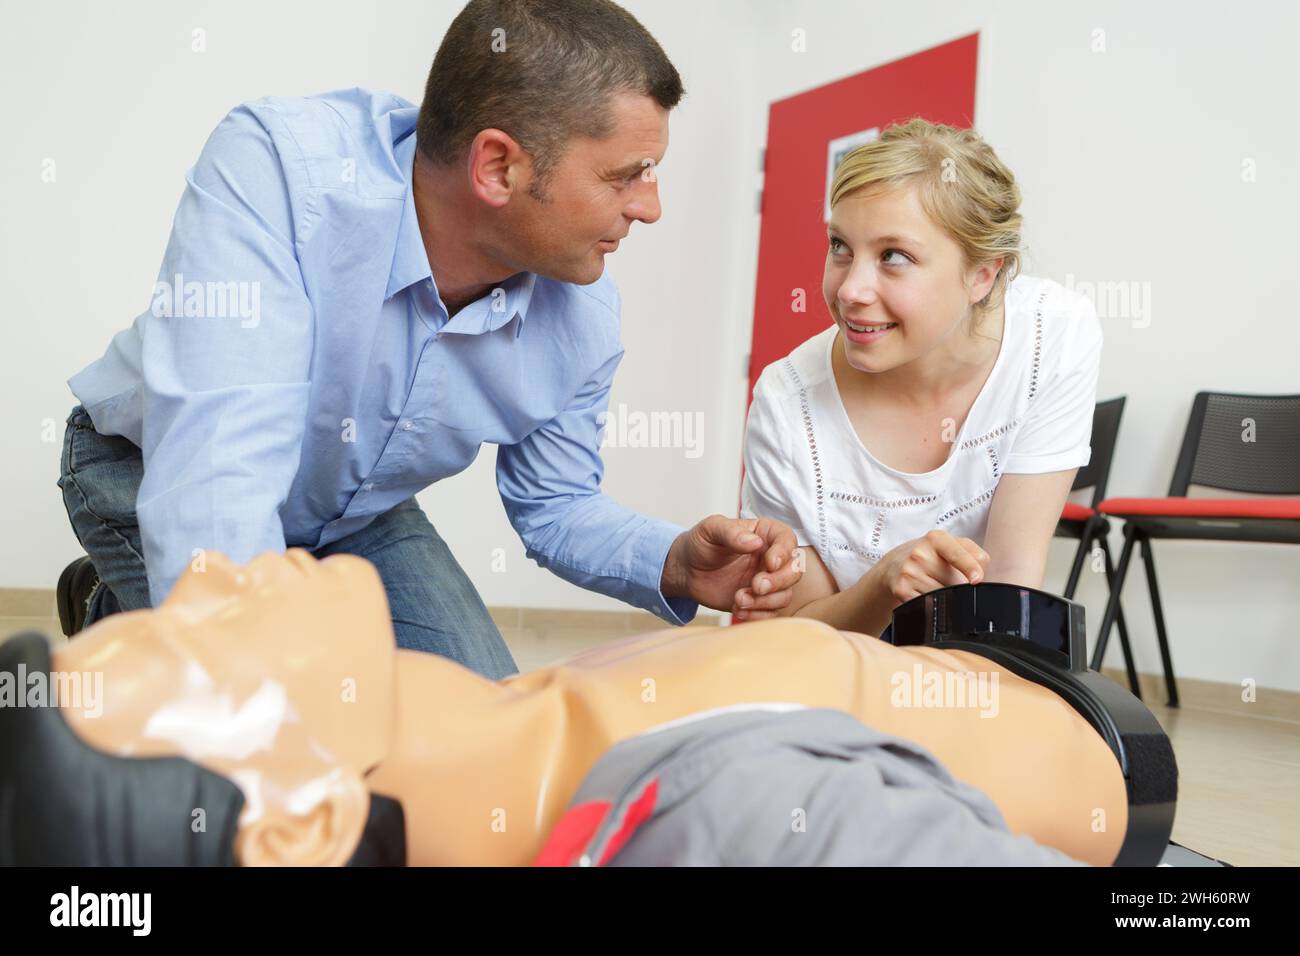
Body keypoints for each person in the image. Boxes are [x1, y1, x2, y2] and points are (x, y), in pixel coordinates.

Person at [55, 0, 800, 678]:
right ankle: (118, 612)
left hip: (351, 512)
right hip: (149, 463)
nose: (651, 207)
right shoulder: (283, 172)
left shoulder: (584, 316)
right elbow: (221, 470)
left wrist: (676, 562)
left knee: (484, 724)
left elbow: (556, 502)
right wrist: (273, 685)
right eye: (625, 176)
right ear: (498, 166)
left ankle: (140, 604)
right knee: (301, 706)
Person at [5, 549, 1138, 866]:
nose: (203, 569)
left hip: (914, 660)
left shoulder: (503, 736)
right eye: (188, 636)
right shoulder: (729, 813)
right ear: (299, 824)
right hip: (1071, 713)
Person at [738, 118, 1102, 636]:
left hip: (975, 661)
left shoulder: (1053, 335)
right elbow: (794, 634)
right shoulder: (786, 403)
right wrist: (883, 585)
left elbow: (1009, 584)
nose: (850, 290)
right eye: (840, 246)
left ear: (982, 274)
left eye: (894, 256)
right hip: (835, 672)